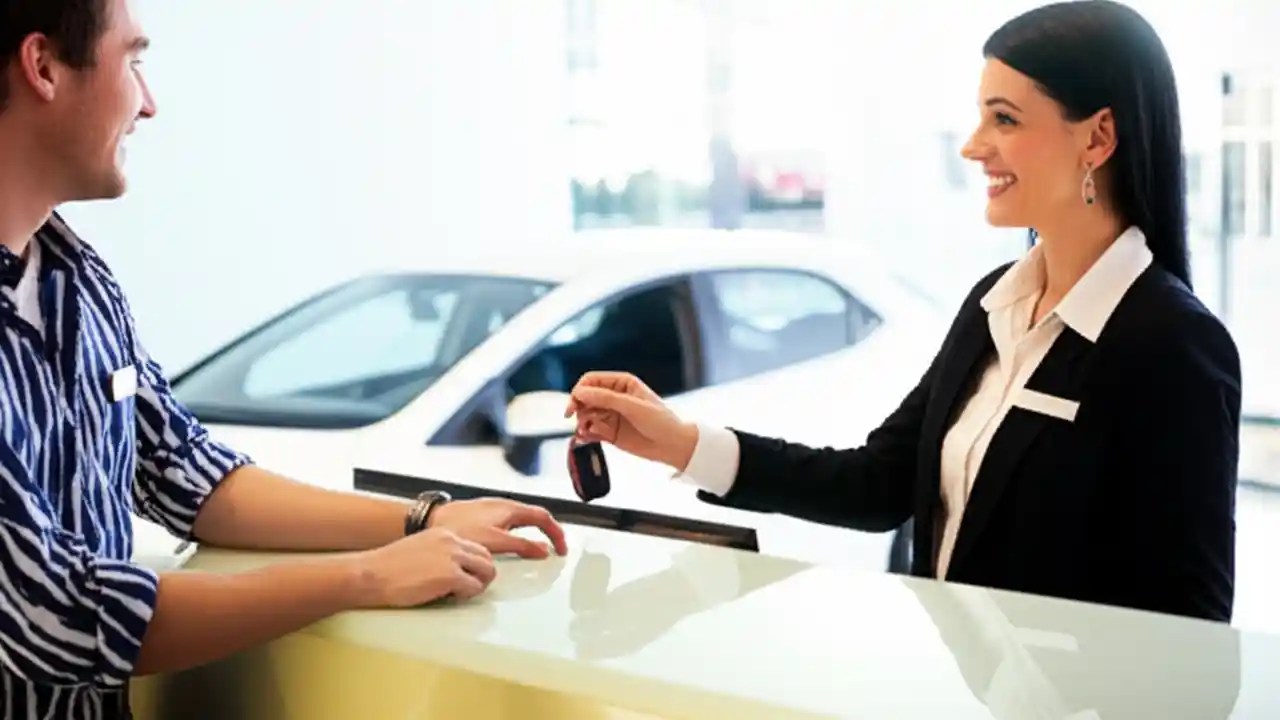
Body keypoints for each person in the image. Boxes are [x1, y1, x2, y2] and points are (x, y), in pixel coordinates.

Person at [569, 0, 1241, 623]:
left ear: (1097, 139)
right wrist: (679, 442)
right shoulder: (994, 303)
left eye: (1004, 118)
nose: (974, 145)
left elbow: (1191, 625)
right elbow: (880, 482)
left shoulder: (1173, 346)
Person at [0, 1, 567, 717]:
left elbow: (187, 475)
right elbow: (55, 618)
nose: (149, 105)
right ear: (43, 67)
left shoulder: (73, 276)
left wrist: (421, 523)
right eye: (133, 61)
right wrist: (364, 577)